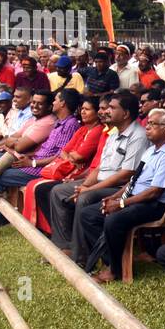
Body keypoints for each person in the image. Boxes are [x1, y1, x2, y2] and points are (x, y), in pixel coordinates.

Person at [80, 107, 165, 283]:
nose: (147, 127)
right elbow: (133, 182)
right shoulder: (151, 150)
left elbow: (155, 191)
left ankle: (115, 270)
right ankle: (111, 261)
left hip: (154, 205)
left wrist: (121, 204)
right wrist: (117, 198)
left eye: (153, 124)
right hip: (136, 199)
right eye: (148, 123)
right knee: (88, 214)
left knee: (114, 219)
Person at [47, 91, 148, 265]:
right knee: (58, 191)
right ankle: (64, 245)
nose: (107, 111)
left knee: (85, 198)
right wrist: (84, 184)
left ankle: (81, 256)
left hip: (119, 188)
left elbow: (126, 174)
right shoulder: (114, 133)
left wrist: (88, 189)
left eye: (112, 108)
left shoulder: (138, 136)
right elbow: (101, 167)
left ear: (125, 113)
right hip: (101, 181)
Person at [19, 95, 106, 232]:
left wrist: (70, 157)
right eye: (82, 108)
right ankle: (52, 229)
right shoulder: (82, 129)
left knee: (44, 189)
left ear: (96, 113)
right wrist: (71, 157)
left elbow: (79, 156)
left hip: (79, 173)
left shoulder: (97, 130)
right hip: (69, 170)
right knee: (35, 186)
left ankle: (59, 230)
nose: (83, 112)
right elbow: (64, 151)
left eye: (87, 109)